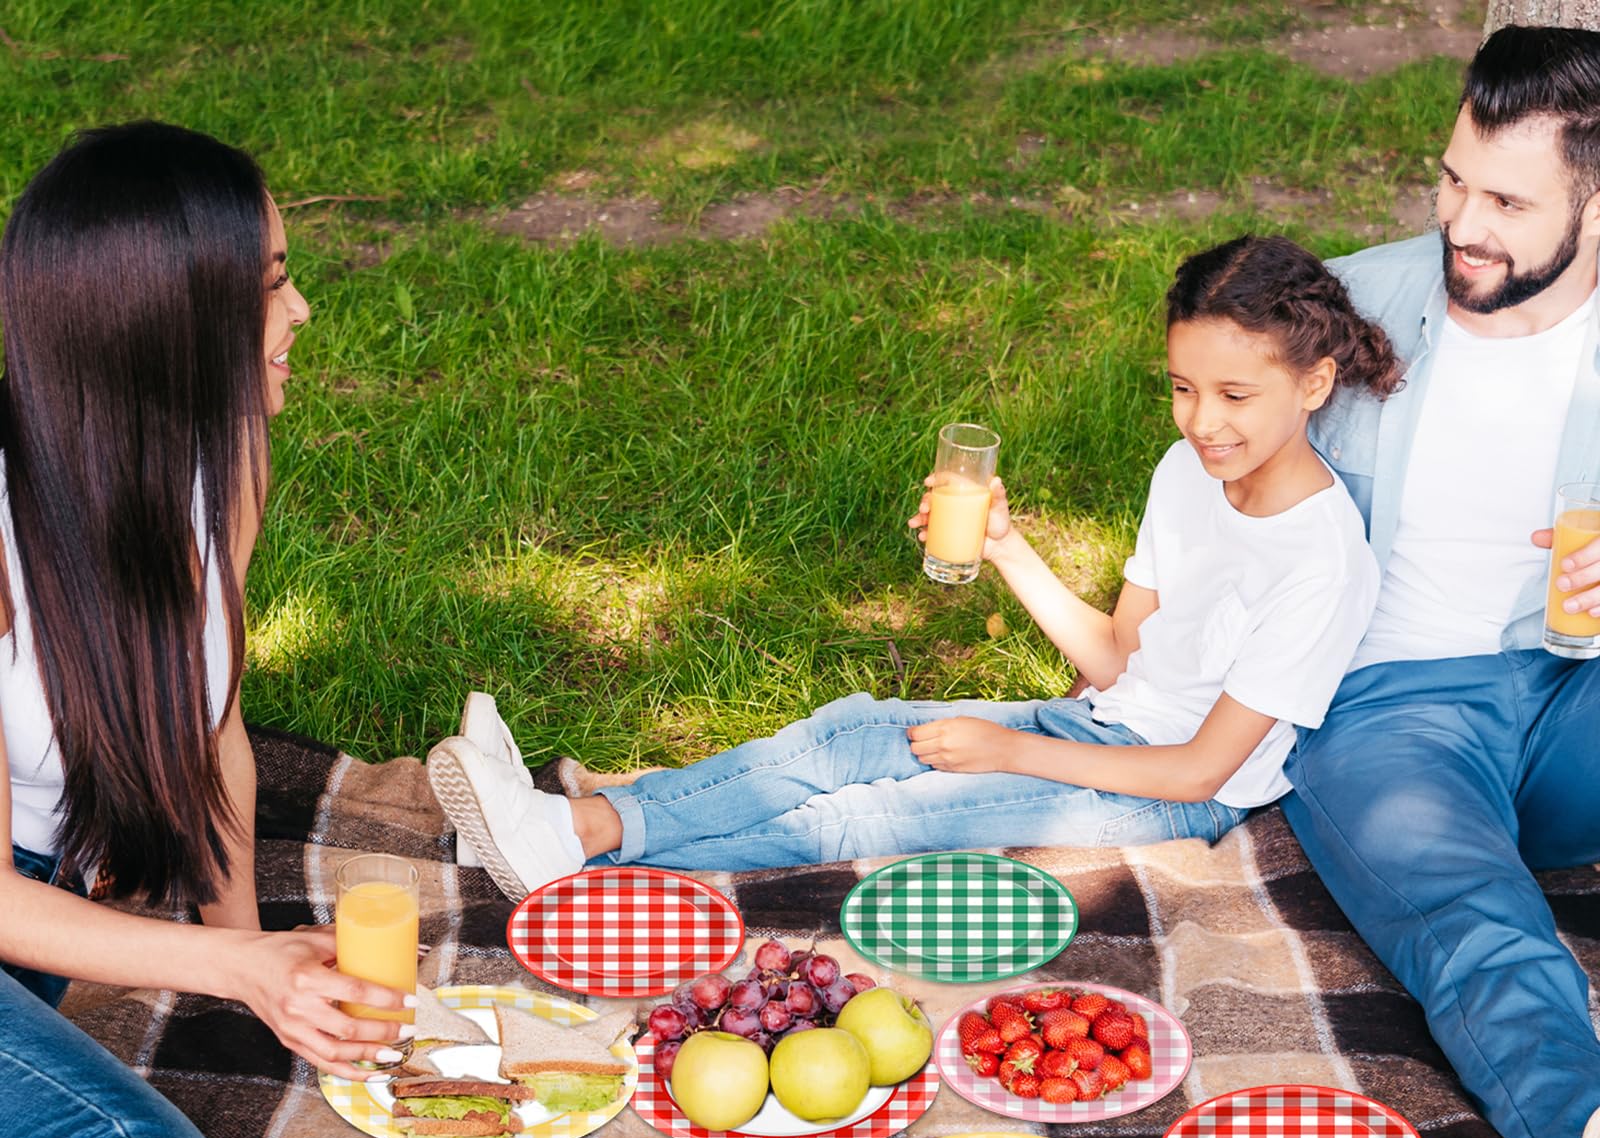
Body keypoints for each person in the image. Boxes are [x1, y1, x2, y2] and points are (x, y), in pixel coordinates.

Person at [428, 234, 1396, 901]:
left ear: (1313, 383)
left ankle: (567, 862)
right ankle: (568, 829)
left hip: (1172, 796)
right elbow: (1118, 660)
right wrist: (1008, 545)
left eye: (1234, 394)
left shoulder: (1320, 561)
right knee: (849, 734)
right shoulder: (1186, 469)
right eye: (1183, 388)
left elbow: (1199, 771)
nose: (1201, 421)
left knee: (861, 815)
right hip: (1100, 724)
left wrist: (1010, 747)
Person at [0, 123, 409, 1138]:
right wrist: (226, 963)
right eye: (272, 282)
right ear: (160, 322)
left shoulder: (216, 451)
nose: (303, 309)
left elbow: (210, 719)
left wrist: (253, 967)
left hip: (45, 928)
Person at [1277, 26, 1600, 1138]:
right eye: (1454, 178)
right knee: (1473, 919)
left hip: (1574, 689)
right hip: (1389, 701)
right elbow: (1209, 500)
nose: (1462, 219)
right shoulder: (1345, 308)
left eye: (1507, 200)